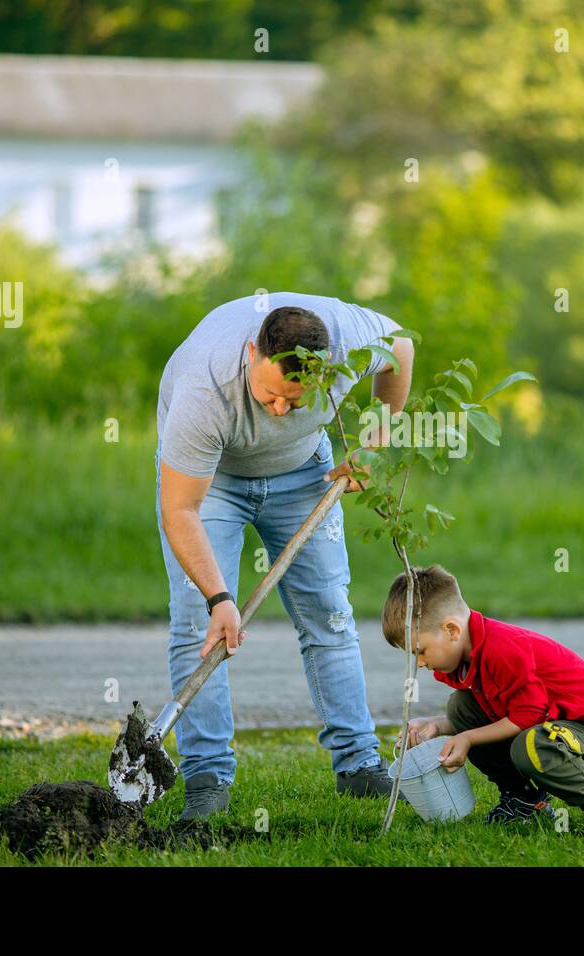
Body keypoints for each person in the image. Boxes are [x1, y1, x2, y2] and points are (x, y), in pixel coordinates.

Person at [156, 292, 414, 820]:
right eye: (271, 394)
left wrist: (377, 438)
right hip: (215, 483)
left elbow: (402, 348)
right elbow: (180, 510)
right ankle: (206, 780)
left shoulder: (349, 340)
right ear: (252, 353)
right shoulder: (203, 391)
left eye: (294, 402)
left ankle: (359, 766)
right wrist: (219, 598)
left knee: (331, 615)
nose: (279, 410)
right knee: (197, 628)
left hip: (304, 473)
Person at [384, 564, 584, 835]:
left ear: (451, 631)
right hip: (555, 728)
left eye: (420, 651)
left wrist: (468, 738)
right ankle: (526, 800)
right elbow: (500, 711)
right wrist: (437, 725)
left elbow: (528, 716)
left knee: (530, 745)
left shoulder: (503, 649)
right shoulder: (466, 659)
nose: (419, 663)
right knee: (461, 708)